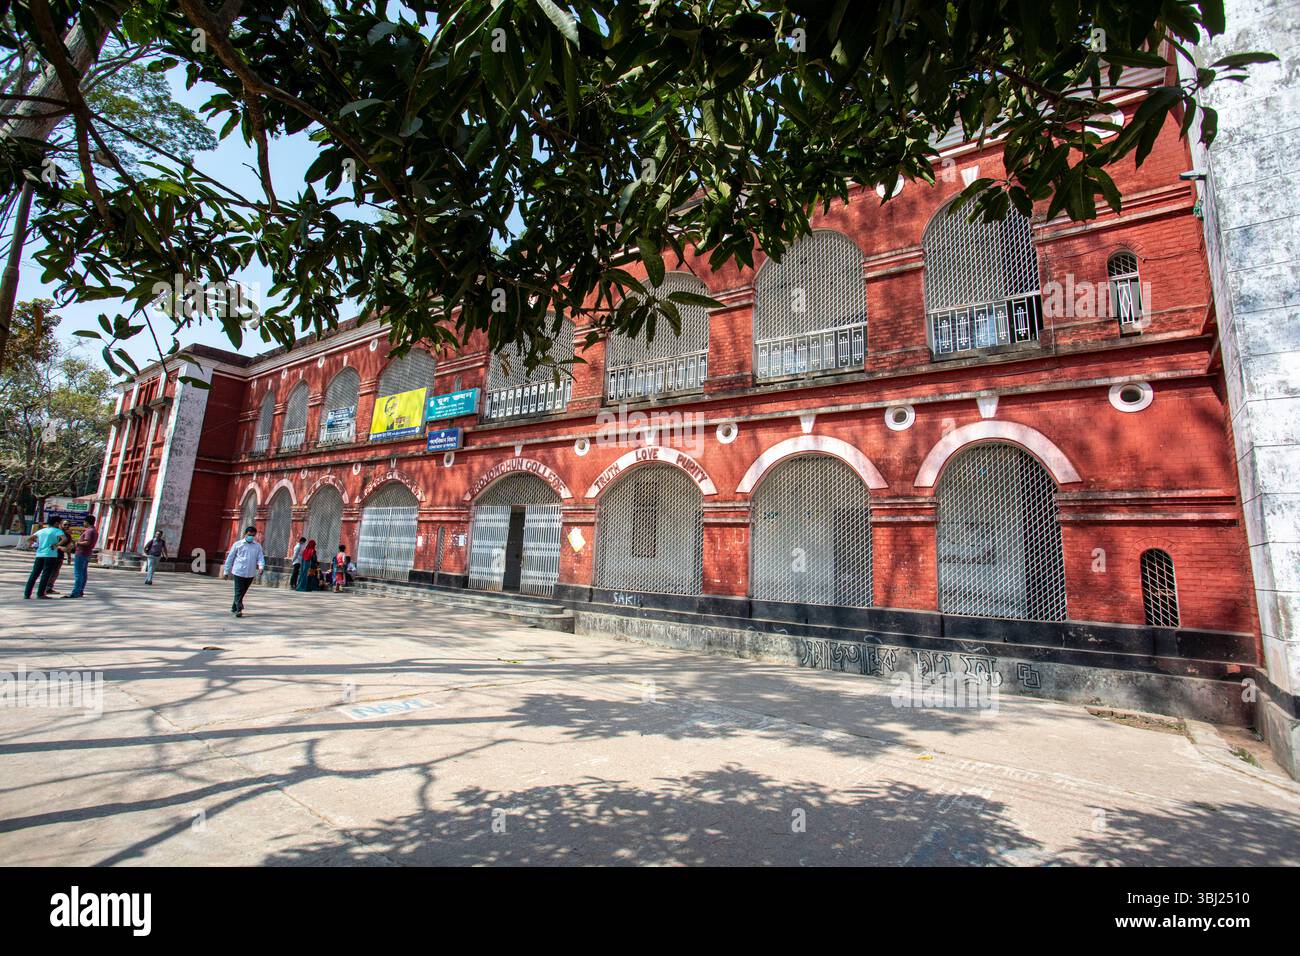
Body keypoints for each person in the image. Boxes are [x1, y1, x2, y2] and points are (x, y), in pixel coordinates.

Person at [222, 525, 265, 617]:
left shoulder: (257, 546)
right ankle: (239, 609)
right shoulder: (238, 544)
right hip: (239, 571)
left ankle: (234, 607)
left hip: (250, 573)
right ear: (245, 534)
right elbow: (230, 558)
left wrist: (261, 567)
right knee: (238, 591)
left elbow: (260, 557)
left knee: (242, 592)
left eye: (253, 535)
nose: (251, 537)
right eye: (249, 535)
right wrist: (226, 571)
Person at [23, 521, 68, 599]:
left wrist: (38, 543)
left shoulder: (41, 530)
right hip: (50, 554)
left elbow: (29, 539)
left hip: (39, 554)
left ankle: (27, 594)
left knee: (34, 574)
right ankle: (40, 594)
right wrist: (56, 545)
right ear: (56, 523)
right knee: (45, 574)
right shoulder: (57, 530)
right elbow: (64, 539)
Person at [65, 513, 98, 598]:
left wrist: (77, 543)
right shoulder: (94, 530)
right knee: (83, 573)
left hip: (81, 553)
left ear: (87, 522)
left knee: (78, 574)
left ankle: (76, 592)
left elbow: (87, 542)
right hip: (86, 553)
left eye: (84, 522)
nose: (83, 523)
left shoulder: (89, 531)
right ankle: (80, 590)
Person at [46, 520, 73, 595]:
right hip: (51, 555)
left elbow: (68, 547)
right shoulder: (56, 533)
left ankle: (49, 588)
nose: (67, 526)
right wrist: (60, 547)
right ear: (60, 525)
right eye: (65, 524)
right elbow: (50, 544)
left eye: (68, 525)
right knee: (49, 572)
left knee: (55, 572)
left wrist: (69, 557)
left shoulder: (68, 536)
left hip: (60, 556)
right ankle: (44, 587)